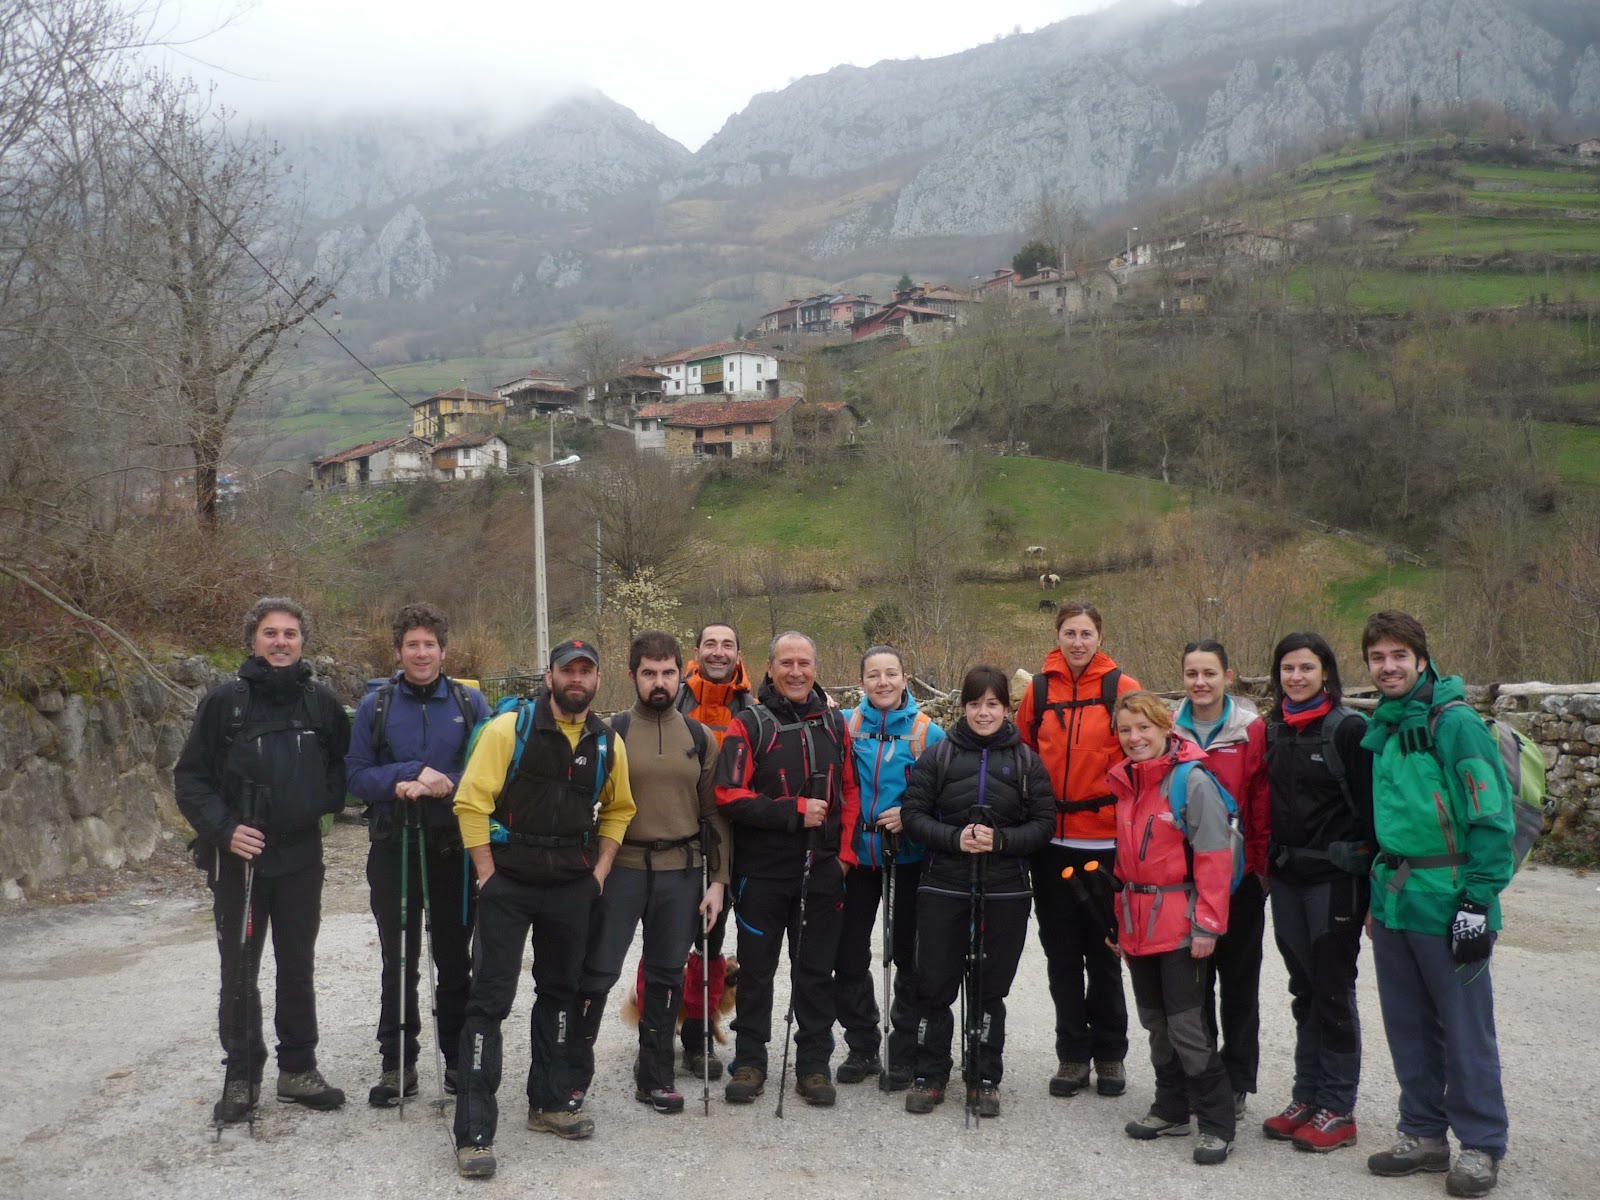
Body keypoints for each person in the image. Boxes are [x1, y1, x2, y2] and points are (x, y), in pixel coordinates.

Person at [450, 639, 636, 1180]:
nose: (576, 679)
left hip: (571, 889)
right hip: (508, 883)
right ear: (550, 675)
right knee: (489, 1000)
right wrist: (486, 874)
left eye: (586, 671)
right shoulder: (511, 729)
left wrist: (599, 873)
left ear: (599, 680)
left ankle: (550, 1103)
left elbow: (621, 809)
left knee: (561, 993)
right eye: (567, 670)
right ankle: (475, 1131)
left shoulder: (606, 742)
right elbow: (471, 801)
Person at [174, 596, 351, 1126]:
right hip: (240, 862)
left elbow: (340, 766)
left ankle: (298, 1069)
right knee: (240, 970)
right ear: (253, 639)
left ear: (303, 642)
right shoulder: (224, 702)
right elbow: (190, 778)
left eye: (290, 634)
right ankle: (242, 1074)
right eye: (270, 633)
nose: (280, 642)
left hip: (301, 855)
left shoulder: (321, 702)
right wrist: (225, 830)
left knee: (297, 965)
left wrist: (321, 805)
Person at [1361, 611, 1513, 1198]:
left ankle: (1480, 1143)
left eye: (1399, 655)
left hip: (1450, 900)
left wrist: (1478, 900)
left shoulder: (1456, 724)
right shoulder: (1391, 723)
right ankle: (1424, 1134)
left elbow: (1491, 818)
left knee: (1465, 1029)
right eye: (1378, 657)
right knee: (1409, 1026)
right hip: (1398, 900)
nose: (1388, 666)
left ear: (1422, 660)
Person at [568, 630, 729, 1116]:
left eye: (668, 672)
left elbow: (715, 816)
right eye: (649, 673)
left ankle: (655, 1077)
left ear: (682, 673)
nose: (659, 682)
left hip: (682, 873)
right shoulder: (610, 732)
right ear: (633, 675)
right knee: (595, 973)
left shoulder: (700, 738)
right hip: (622, 870)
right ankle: (573, 1077)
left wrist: (718, 881)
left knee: (665, 977)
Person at [346, 602, 490, 1106]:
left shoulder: (471, 704)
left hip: (452, 849)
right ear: (399, 651)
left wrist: (447, 786)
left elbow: (490, 769)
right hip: (396, 846)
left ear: (444, 651)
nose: (421, 652)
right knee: (399, 959)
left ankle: (456, 1060)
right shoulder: (376, 707)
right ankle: (397, 1063)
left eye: (430, 644)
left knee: (454, 960)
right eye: (412, 644)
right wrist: (406, 776)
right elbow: (357, 774)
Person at [898, 665, 1052, 1117]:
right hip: (943, 883)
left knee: (989, 988)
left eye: (992, 704)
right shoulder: (939, 755)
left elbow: (1043, 825)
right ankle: (930, 1075)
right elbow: (913, 814)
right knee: (934, 984)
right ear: (963, 706)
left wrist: (1001, 841)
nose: (983, 713)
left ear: (1007, 707)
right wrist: (954, 838)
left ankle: (984, 1077)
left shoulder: (1026, 761)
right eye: (974, 703)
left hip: (1004, 888)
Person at [715, 631, 861, 1107]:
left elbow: (851, 792)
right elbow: (728, 795)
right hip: (762, 872)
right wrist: (792, 811)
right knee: (757, 972)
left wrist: (844, 857)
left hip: (822, 870)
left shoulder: (836, 723)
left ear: (815, 667)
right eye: (786, 663)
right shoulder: (749, 724)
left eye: (804, 662)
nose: (796, 672)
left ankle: (814, 1065)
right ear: (771, 668)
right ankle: (751, 1060)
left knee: (816, 972)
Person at [1015, 599, 1140, 1099]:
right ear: (1057, 635)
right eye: (1069, 633)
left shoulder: (1122, 689)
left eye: (1086, 633)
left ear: (1100, 636)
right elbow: (1021, 752)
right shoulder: (1039, 690)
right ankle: (1072, 1054)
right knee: (1061, 953)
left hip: (1106, 841)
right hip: (1051, 843)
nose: (1078, 642)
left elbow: (1145, 749)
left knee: (1105, 951)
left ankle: (1110, 1054)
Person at [1108, 690, 1236, 1165]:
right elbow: (1124, 861)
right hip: (1138, 921)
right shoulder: (1127, 782)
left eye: (1143, 728)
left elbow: (1214, 856)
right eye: (1125, 730)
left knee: (1187, 1025)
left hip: (1181, 921)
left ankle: (1217, 1122)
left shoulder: (1191, 781)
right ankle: (1171, 1107)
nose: (1135, 738)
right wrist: (1117, 920)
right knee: (1155, 1021)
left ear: (1166, 728)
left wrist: (1208, 924)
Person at [1259, 632, 1374, 1153]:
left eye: (1307, 668)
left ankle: (1339, 1106)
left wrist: (1372, 886)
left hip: (1335, 881)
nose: (1297, 677)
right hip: (1287, 876)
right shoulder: (1273, 730)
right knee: (1302, 987)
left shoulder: (1348, 730)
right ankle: (1307, 1096)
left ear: (1326, 672)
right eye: (1287, 669)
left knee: (1332, 988)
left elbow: (1373, 816)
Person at [831, 646, 946, 1091]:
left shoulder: (927, 734)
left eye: (891, 674)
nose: (882, 682)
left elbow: (942, 793)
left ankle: (903, 1050)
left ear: (905, 679)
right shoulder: (847, 725)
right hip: (858, 855)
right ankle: (861, 1044)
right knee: (848, 952)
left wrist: (910, 814)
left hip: (909, 857)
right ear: (860, 682)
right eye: (873, 675)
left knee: (908, 956)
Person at [1171, 640, 1269, 1119]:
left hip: (1240, 877)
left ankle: (1238, 1079)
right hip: (1184, 876)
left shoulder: (1250, 730)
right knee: (1193, 984)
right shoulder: (1170, 728)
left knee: (1239, 983)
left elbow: (1262, 802)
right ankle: (1202, 1073)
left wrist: (1259, 868)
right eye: (1192, 673)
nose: (1200, 683)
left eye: (1210, 673)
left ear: (1229, 676)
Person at [674, 621, 754, 1078]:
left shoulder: (753, 704)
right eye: (710, 644)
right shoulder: (676, 696)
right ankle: (670, 1030)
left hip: (738, 840)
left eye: (727, 645)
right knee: (675, 941)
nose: (718, 652)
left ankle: (706, 1037)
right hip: (683, 838)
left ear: (739, 653)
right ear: (697, 650)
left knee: (715, 944)